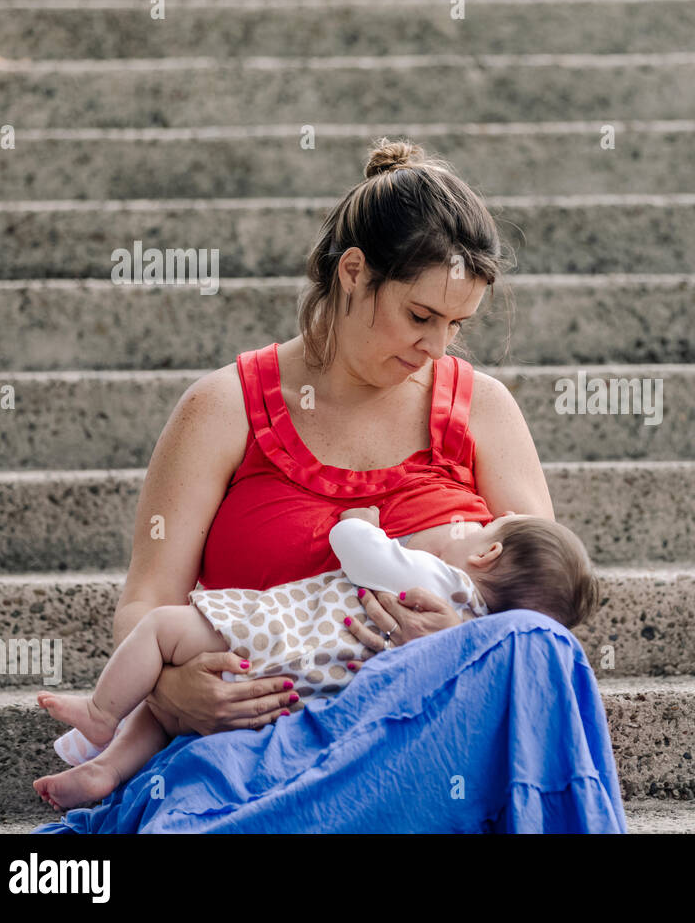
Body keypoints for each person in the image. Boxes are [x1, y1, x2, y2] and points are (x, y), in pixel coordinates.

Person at [32, 138, 627, 833]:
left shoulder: (484, 410)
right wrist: (169, 691)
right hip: (261, 748)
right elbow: (148, 604)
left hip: (421, 740)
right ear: (353, 272)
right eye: (420, 316)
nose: (437, 347)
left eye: (457, 324)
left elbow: (533, 599)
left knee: (537, 647)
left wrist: (458, 637)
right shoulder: (221, 409)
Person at [32, 507, 601, 812]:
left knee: (159, 630)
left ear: (488, 551)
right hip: (304, 692)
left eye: (482, 525)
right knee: (163, 711)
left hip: (274, 635)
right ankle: (103, 768)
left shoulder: (438, 577)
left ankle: (101, 717)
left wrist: (365, 520)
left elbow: (353, 545)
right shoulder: (475, 632)